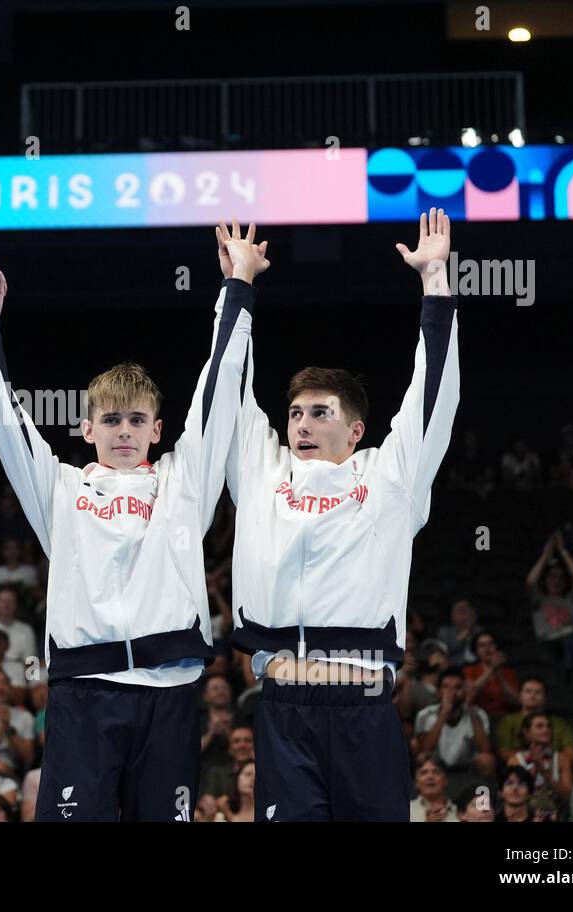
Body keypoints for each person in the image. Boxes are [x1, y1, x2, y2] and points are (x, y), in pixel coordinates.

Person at [0, 225, 259, 824]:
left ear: (157, 429)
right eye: (110, 419)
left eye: (136, 419)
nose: (123, 430)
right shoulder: (60, 488)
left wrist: (237, 285)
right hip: (83, 694)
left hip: (171, 693)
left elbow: (219, 388)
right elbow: (1, 416)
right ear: (87, 429)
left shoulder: (184, 481)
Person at [228, 210, 459, 821]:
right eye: (296, 412)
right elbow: (227, 389)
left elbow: (433, 395)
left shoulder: (388, 478)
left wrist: (435, 278)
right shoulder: (261, 473)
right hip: (281, 705)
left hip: (364, 705)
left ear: (356, 429)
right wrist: (239, 288)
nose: (302, 423)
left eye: (319, 413)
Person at [414, 667, 494, 779]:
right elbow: (425, 749)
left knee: (487, 760)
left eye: (458, 687)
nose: (452, 692)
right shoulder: (425, 714)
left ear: (465, 691)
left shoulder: (478, 714)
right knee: (421, 757)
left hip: (468, 766)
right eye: (446, 687)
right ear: (439, 691)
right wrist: (443, 714)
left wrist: (470, 709)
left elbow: (485, 749)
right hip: (435, 764)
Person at [505, 712, 573, 817]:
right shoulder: (515, 761)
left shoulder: (561, 759)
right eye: (539, 726)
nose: (546, 730)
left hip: (556, 814)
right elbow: (512, 795)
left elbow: (568, 796)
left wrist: (545, 774)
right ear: (526, 732)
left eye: (548, 726)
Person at [494, 678, 573, 765]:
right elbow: (504, 753)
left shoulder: (558, 723)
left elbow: (571, 756)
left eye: (538, 692)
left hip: (554, 769)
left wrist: (544, 761)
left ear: (545, 699)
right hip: (520, 769)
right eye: (528, 691)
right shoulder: (508, 721)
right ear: (520, 696)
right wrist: (533, 758)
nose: (532, 695)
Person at [524, 531, 573, 642]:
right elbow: (530, 583)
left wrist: (562, 551)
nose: (557, 581)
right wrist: (545, 554)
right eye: (552, 577)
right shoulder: (539, 600)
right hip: (548, 646)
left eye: (561, 578)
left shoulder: (572, 599)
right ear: (545, 581)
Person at [462, 632, 521, 719]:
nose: (487, 648)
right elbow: (470, 694)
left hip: (504, 716)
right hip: (477, 717)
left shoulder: (508, 672)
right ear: (476, 651)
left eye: (491, 644)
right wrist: (492, 669)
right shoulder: (469, 670)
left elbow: (517, 701)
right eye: (481, 645)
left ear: (497, 647)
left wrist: (500, 676)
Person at [409, 753, 459, 822]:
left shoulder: (461, 811)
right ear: (416, 782)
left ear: (446, 780)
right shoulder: (405, 811)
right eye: (424, 772)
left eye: (436, 772)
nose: (430, 777)